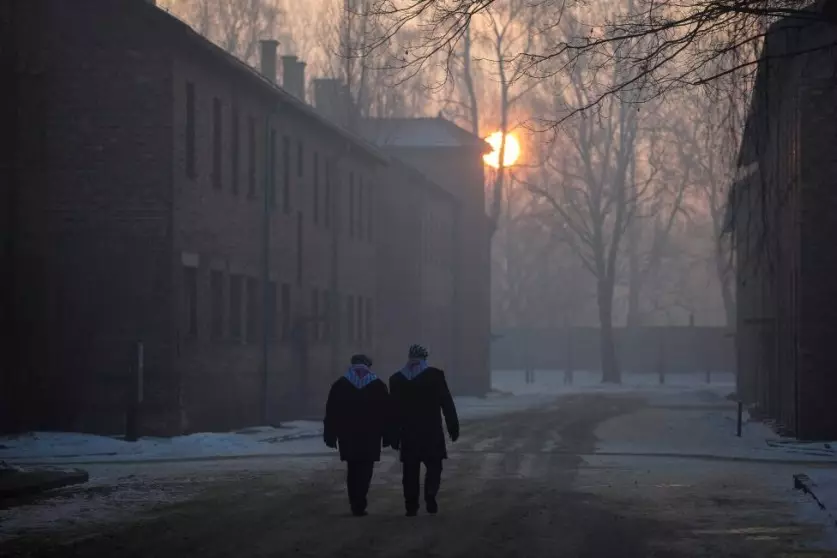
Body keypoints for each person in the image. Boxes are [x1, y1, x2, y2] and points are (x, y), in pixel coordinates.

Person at [389, 344, 459, 516]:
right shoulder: (435, 376)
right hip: (431, 431)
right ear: (425, 357)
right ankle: (430, 494)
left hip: (408, 433)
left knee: (410, 471)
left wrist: (392, 434)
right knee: (434, 466)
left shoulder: (397, 379)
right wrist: (453, 426)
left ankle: (411, 505)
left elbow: (392, 410)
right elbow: (446, 403)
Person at [324, 354, 391, 517]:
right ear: (368, 366)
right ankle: (360, 501)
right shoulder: (378, 385)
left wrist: (330, 434)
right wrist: (388, 434)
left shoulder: (340, 385)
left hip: (348, 435)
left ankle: (355, 501)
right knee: (366, 469)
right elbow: (387, 412)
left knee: (352, 468)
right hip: (371, 435)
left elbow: (332, 412)